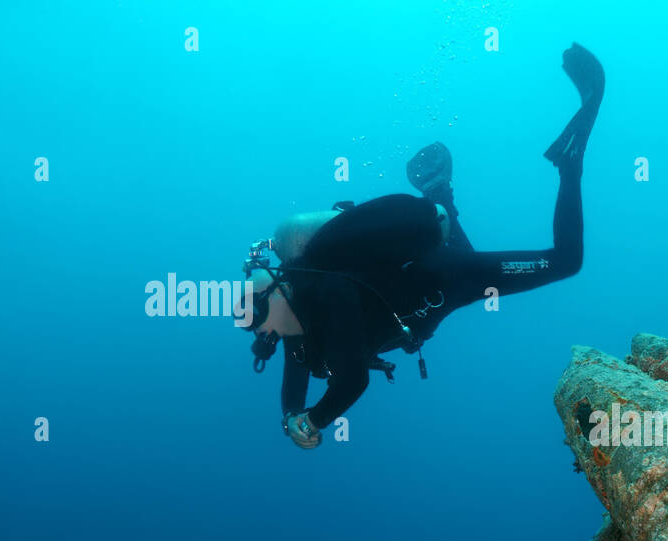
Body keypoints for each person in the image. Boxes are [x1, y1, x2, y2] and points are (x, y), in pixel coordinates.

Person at [241, 42, 604, 449]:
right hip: (432, 291)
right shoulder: (295, 324)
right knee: (463, 254)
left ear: (278, 287)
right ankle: (438, 192)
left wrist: (313, 421)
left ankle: (570, 163)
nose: (259, 330)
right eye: (250, 324)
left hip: (445, 279)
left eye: (255, 313)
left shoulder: (327, 294)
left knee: (566, 262)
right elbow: (294, 376)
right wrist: (292, 415)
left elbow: (353, 380)